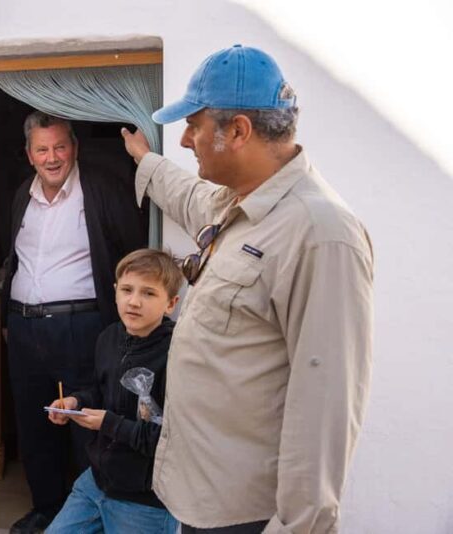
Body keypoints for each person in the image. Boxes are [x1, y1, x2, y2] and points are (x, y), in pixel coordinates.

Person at [121, 44, 374, 534]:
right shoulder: (238, 204)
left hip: (248, 517)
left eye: (194, 126)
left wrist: (297, 527)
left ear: (238, 130)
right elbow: (191, 198)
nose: (186, 140)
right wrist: (146, 163)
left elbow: (326, 406)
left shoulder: (321, 234)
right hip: (202, 498)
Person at [2, 111, 146, 533]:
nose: (52, 157)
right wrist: (10, 320)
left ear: (75, 148)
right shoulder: (20, 198)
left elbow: (132, 253)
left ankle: (93, 516)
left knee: (87, 422)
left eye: (60, 147)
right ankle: (46, 509)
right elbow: (14, 258)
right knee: (34, 422)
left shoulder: (100, 190)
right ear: (29, 155)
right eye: (42, 149)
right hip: (25, 329)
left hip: (83, 327)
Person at [45, 248, 183, 534]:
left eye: (149, 293)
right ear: (115, 292)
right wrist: (75, 401)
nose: (134, 301)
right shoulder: (109, 337)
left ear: (171, 303)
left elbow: (170, 438)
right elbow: (101, 389)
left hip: (145, 501)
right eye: (127, 290)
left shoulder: (179, 354)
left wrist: (108, 424)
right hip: (95, 482)